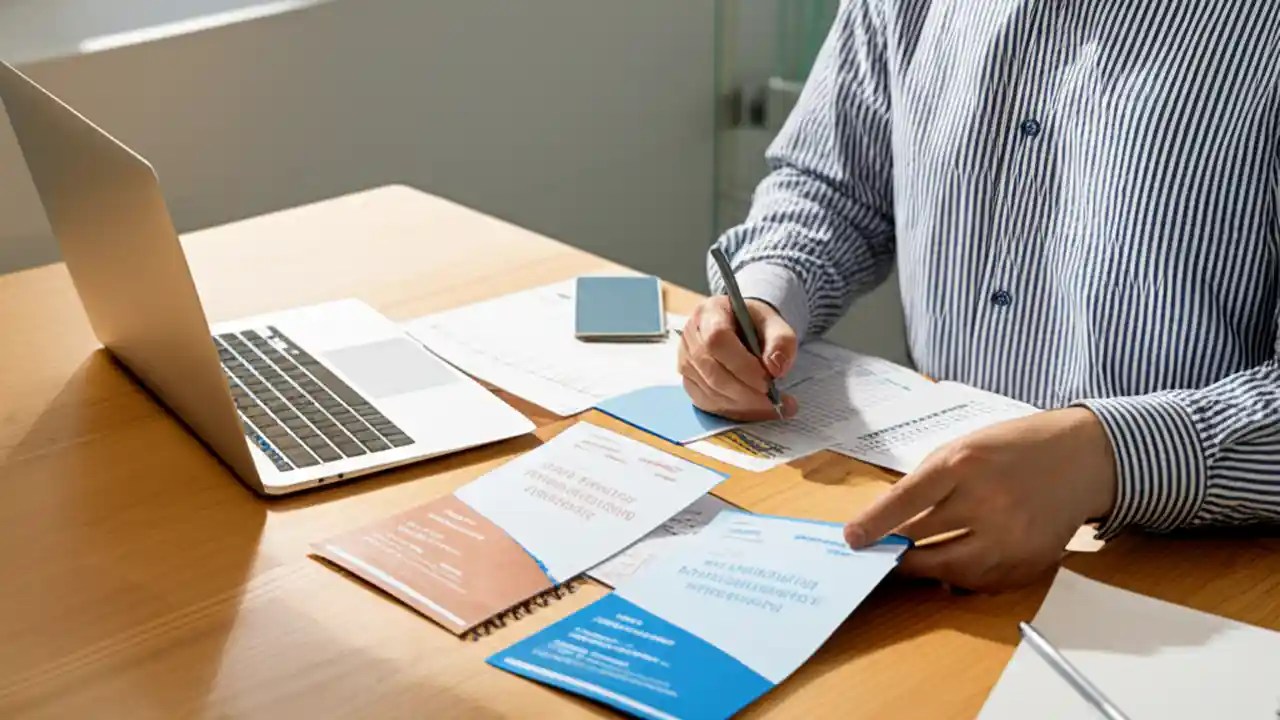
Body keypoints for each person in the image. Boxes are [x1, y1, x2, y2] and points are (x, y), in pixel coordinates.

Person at [679, 1, 1280, 591]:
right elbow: (832, 185)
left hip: (1183, 571)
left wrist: (1109, 457)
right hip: (934, 524)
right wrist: (767, 292)